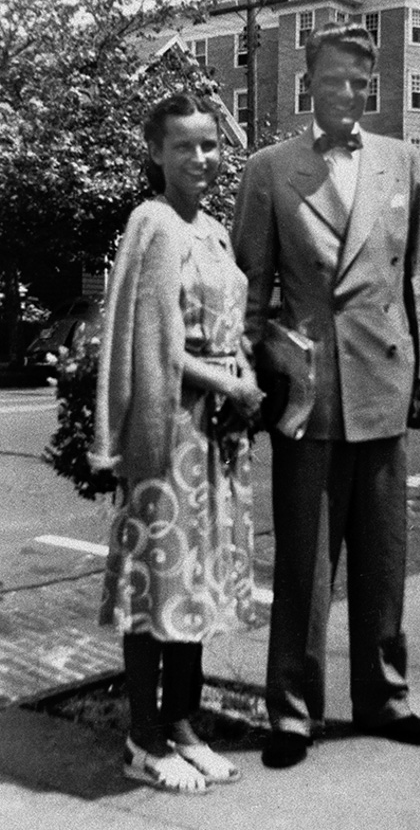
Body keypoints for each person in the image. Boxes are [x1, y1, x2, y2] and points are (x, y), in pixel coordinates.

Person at [231, 22, 420, 769]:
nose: (347, 95)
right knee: (304, 565)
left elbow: (419, 276)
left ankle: (385, 699)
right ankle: (292, 713)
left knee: (385, 559)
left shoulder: (402, 161)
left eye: (360, 84)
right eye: (332, 83)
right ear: (308, 86)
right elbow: (250, 291)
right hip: (308, 392)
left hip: (386, 383)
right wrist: (252, 378)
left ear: (372, 88)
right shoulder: (269, 169)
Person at [90, 92, 264, 793]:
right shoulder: (153, 223)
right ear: (156, 152)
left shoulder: (216, 231)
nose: (200, 157)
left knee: (199, 585)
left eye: (210, 145)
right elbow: (152, 343)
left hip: (218, 437)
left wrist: (244, 374)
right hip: (171, 434)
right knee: (158, 585)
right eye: (185, 146)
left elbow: (231, 330)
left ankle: (184, 724)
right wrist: (229, 386)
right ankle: (144, 736)